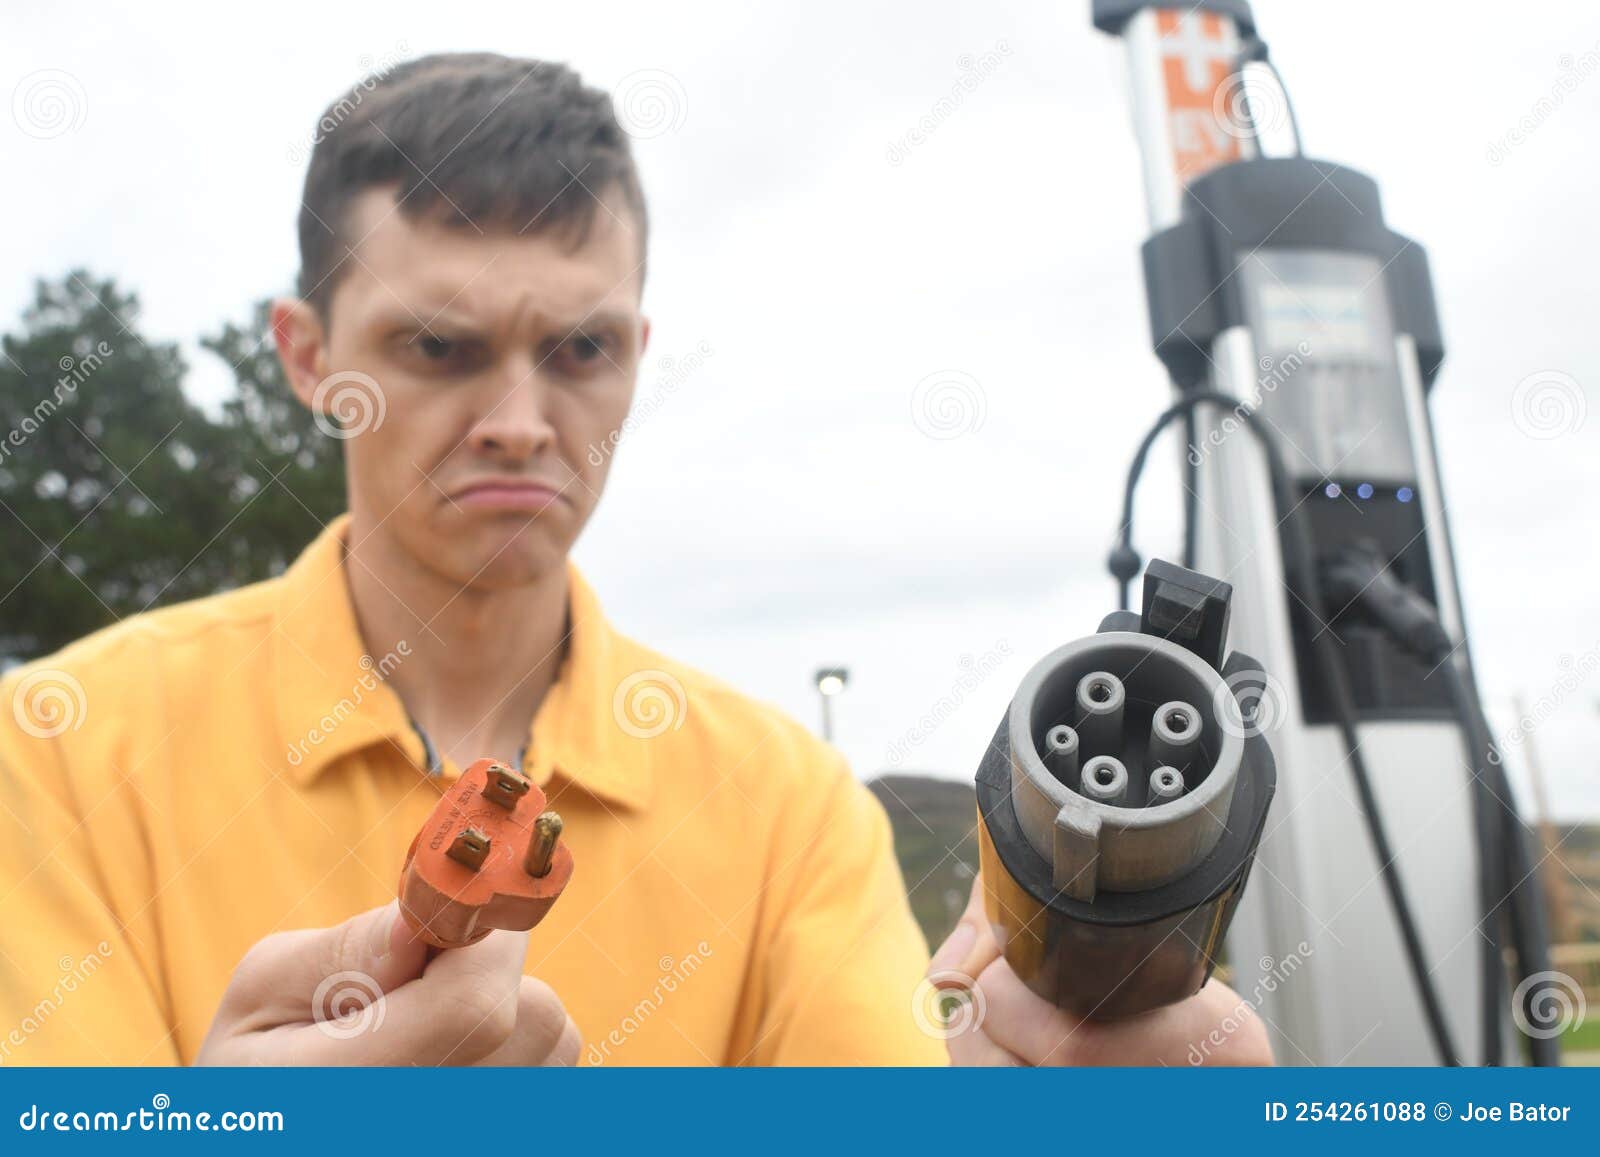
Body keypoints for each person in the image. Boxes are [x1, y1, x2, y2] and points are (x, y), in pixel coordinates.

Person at [0, 53, 1269, 1068]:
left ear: (639, 347)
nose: (517, 415)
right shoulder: (54, 759)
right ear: (304, 356)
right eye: (437, 347)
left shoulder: (788, 808)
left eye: (581, 350)